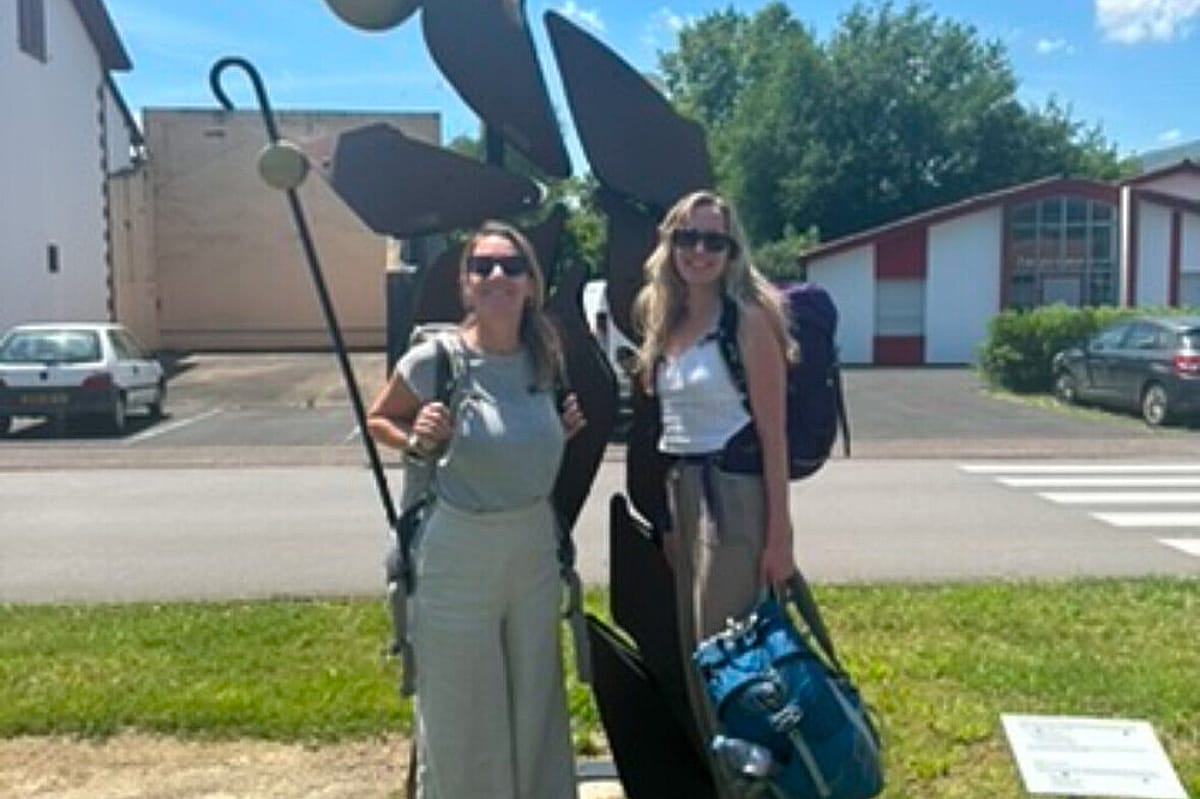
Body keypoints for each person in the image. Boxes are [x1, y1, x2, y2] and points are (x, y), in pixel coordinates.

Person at [366, 220, 585, 799]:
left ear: (531, 284)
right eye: (482, 266)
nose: (497, 277)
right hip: (457, 548)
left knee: (536, 697)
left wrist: (561, 429)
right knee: (464, 707)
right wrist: (415, 438)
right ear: (465, 284)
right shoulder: (435, 360)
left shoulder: (546, 361)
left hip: (533, 548)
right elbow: (379, 418)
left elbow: (531, 438)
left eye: (511, 267)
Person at [633, 189, 799, 793]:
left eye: (714, 241)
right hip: (686, 493)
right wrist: (673, 522)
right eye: (688, 238)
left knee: (729, 658)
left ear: (732, 252)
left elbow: (774, 434)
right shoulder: (664, 316)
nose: (699, 251)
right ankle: (728, 782)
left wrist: (779, 535)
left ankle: (756, 785)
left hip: (735, 497)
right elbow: (666, 427)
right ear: (669, 243)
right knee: (699, 652)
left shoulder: (748, 319)